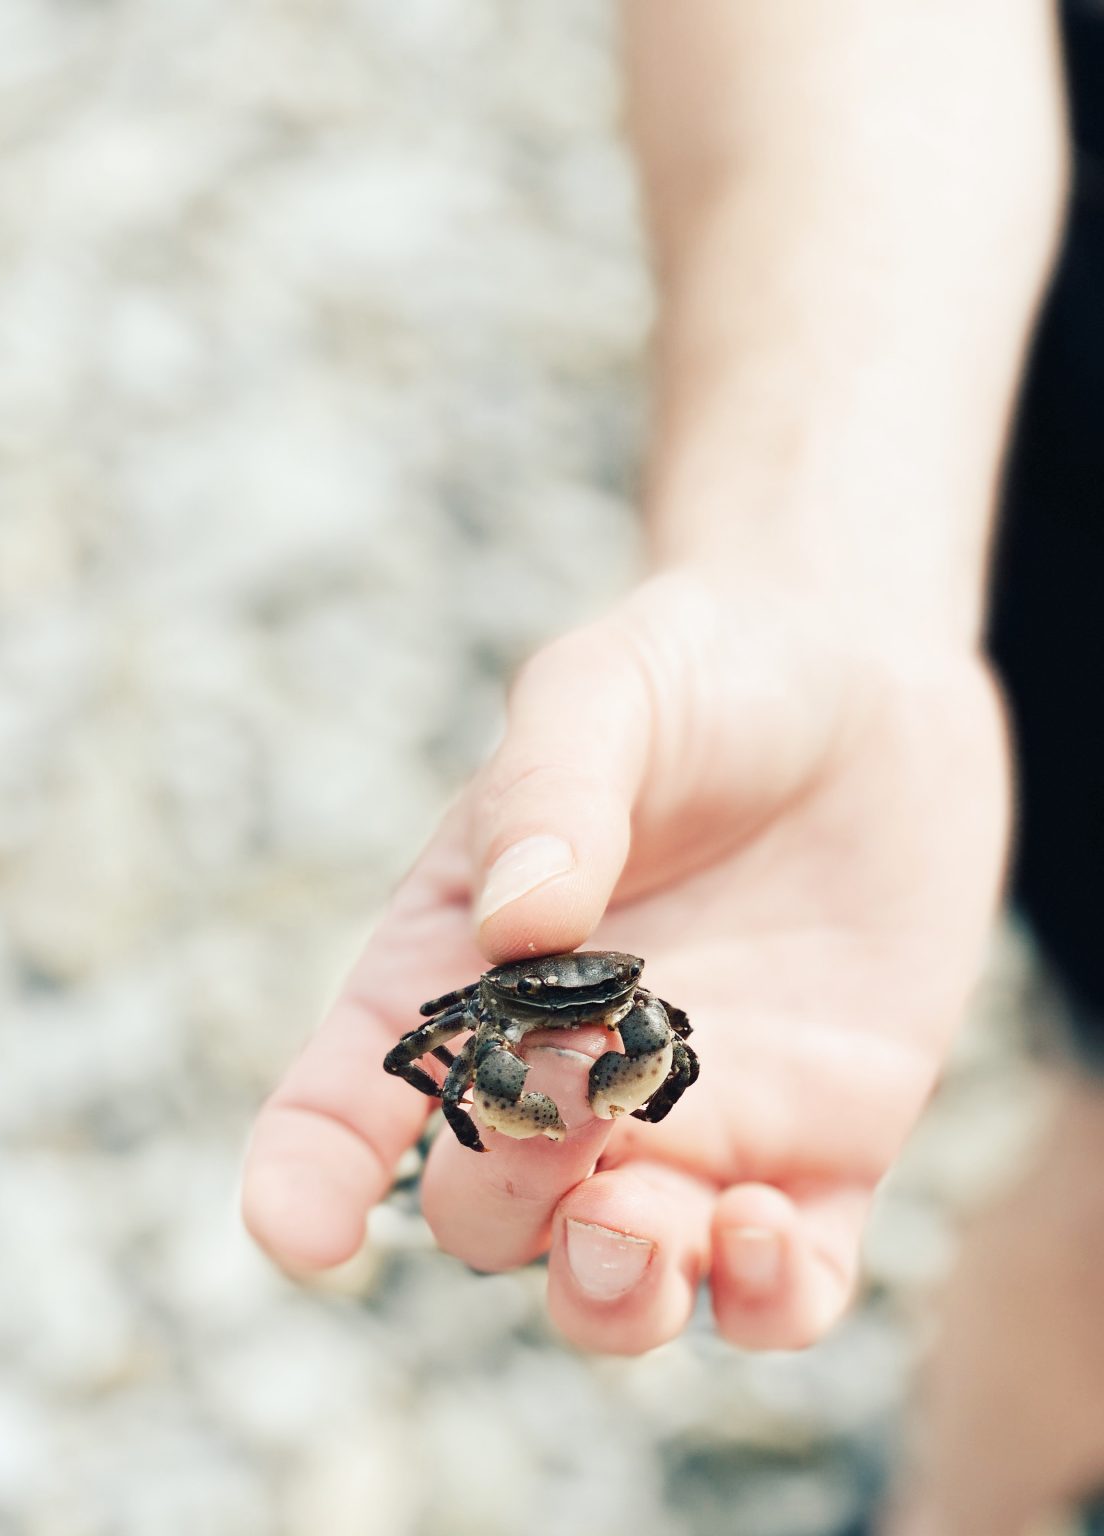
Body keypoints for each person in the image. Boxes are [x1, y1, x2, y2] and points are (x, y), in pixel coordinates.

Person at [243, 1, 1085, 1526]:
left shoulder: (632, 1008)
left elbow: (663, 1039)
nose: (610, 1021)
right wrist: (815, 582)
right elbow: (471, 1047)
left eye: (614, 1013)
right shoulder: (527, 1006)